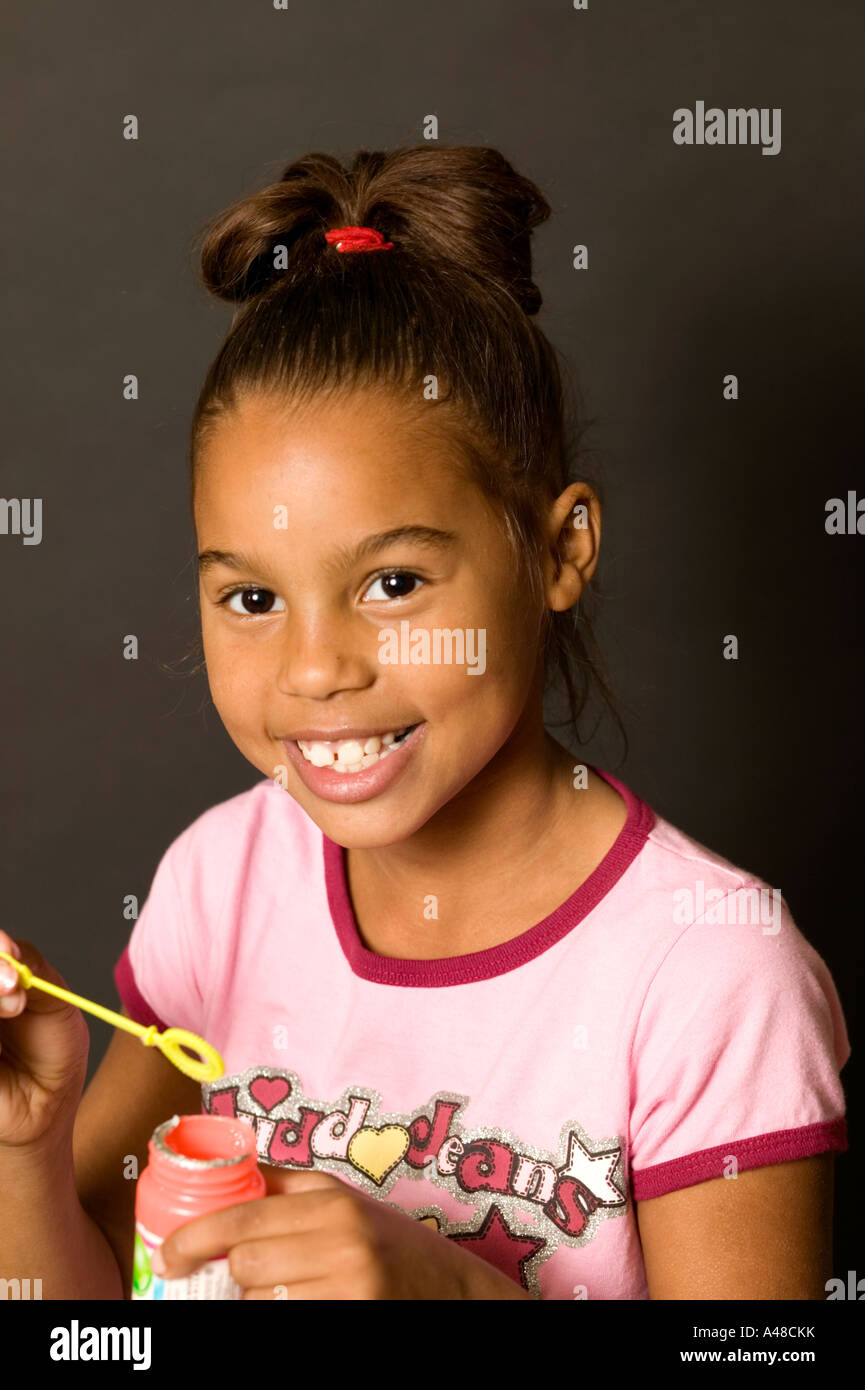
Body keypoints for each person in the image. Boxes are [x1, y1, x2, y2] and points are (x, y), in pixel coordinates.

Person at [0, 146, 849, 1300]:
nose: (314, 669)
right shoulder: (220, 884)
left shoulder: (710, 970)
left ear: (559, 550)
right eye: (252, 599)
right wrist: (24, 1155)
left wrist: (459, 1295)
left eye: (393, 583)